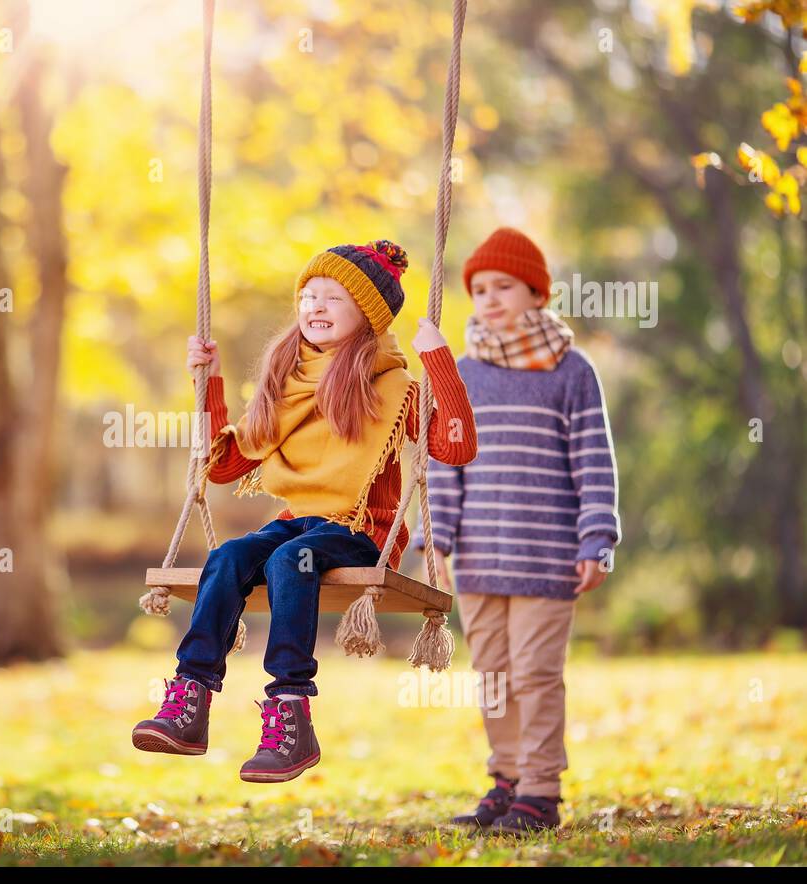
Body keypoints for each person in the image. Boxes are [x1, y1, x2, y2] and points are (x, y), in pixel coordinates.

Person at [132, 239, 477, 783]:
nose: (314, 306)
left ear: (366, 313)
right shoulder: (285, 381)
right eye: (308, 295)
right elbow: (220, 466)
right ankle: (190, 699)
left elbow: (456, 447)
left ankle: (290, 709)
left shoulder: (394, 388)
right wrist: (211, 381)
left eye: (333, 297)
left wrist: (439, 360)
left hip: (362, 530)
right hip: (297, 523)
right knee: (229, 557)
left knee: (292, 559)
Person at [410, 226, 622, 832]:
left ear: (536, 292)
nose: (491, 298)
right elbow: (447, 464)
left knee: (535, 673)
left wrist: (596, 539)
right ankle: (506, 781)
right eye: (479, 289)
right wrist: (437, 541)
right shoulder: (465, 377)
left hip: (546, 555)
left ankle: (541, 789)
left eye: (504, 286)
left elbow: (593, 460)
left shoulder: (571, 371)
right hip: (479, 555)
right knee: (494, 675)